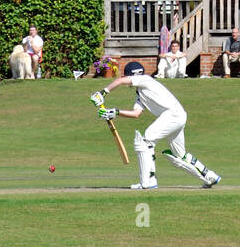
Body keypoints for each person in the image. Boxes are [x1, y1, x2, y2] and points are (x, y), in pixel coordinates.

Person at [92, 61, 220, 191]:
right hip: (177, 116)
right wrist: (115, 112)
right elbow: (136, 113)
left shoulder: (145, 80)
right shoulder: (141, 92)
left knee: (145, 141)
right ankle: (210, 176)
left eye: (127, 76)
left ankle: (148, 181)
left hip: (172, 115)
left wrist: (102, 92)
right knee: (179, 155)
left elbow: (120, 81)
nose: (126, 79)